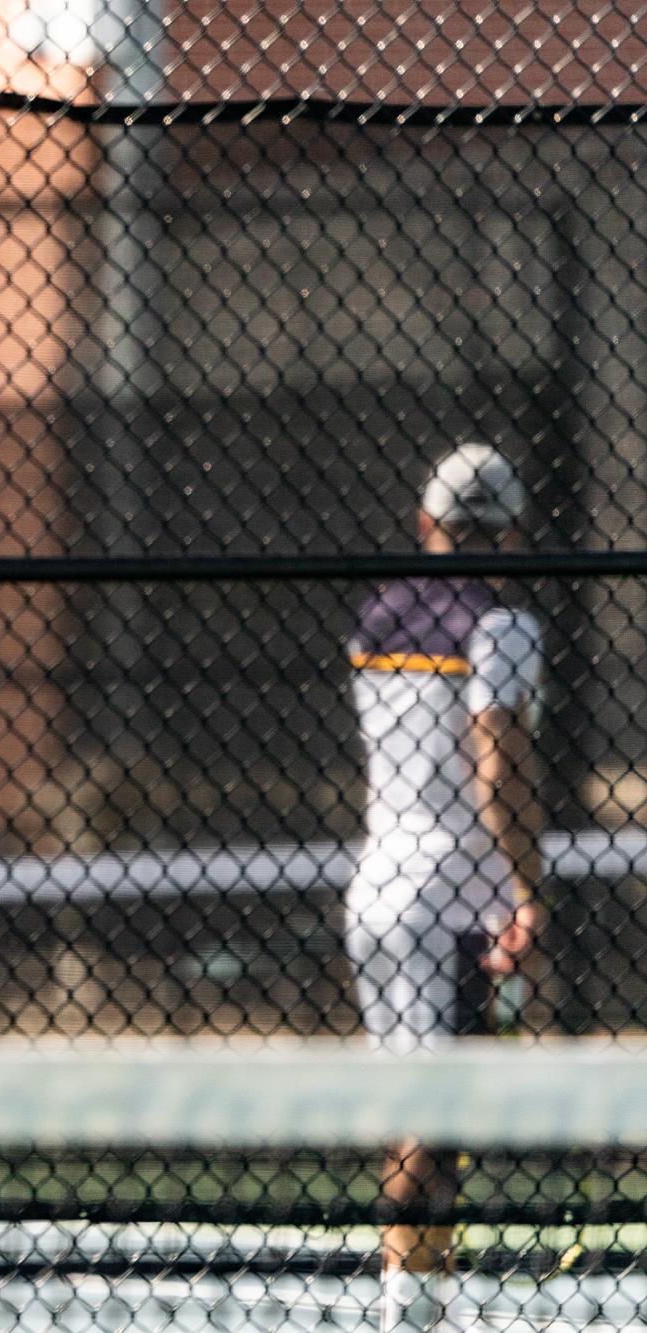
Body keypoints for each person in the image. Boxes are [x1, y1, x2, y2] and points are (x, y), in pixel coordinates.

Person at [344, 443, 548, 1333]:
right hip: (449, 896)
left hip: (376, 885)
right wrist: (528, 886)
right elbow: (496, 762)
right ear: (510, 533)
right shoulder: (501, 628)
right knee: (435, 1119)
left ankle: (416, 1298)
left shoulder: (374, 619)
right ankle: (410, 1312)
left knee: (416, 1114)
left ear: (425, 523)